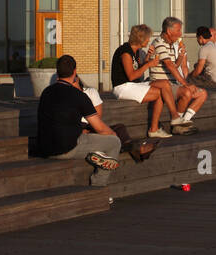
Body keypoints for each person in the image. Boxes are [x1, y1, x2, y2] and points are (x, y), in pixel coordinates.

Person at [37, 54, 123, 184]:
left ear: (57, 72)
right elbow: (99, 127)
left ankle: (96, 153)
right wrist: (113, 135)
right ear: (75, 71)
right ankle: (98, 186)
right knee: (114, 142)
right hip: (67, 148)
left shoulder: (46, 92)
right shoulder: (79, 95)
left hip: (44, 147)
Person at [111, 24, 174, 138]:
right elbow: (131, 76)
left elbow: (137, 69)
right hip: (122, 87)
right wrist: (149, 64)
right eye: (147, 38)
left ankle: (174, 117)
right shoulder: (125, 52)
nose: (149, 40)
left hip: (132, 85)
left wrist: (147, 58)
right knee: (160, 93)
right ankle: (155, 128)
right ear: (141, 38)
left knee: (164, 84)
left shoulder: (135, 51)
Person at [148, 18, 207, 132]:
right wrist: (185, 84)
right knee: (186, 92)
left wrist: (181, 55)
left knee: (202, 94)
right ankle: (176, 124)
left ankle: (181, 121)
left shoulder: (171, 44)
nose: (180, 34)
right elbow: (169, 65)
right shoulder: (159, 42)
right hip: (161, 83)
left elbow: (174, 66)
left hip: (172, 83)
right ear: (169, 31)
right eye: (178, 30)